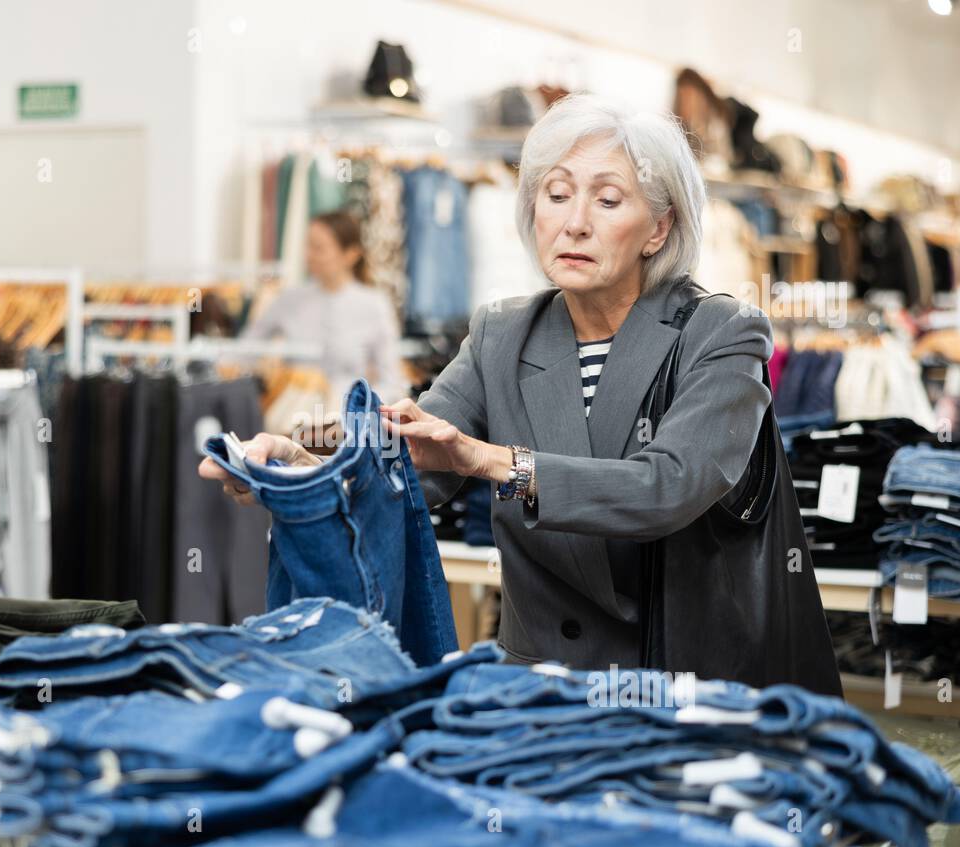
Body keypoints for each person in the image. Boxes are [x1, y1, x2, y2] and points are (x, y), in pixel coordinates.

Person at [200, 93, 776, 671]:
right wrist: (295, 472)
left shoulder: (721, 333)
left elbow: (666, 488)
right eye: (555, 195)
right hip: (538, 690)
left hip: (680, 685)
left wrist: (491, 461)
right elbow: (410, 467)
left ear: (658, 227)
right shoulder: (503, 335)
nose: (574, 223)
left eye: (607, 199)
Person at [244, 209, 408, 404]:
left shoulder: (374, 305)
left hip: (346, 423)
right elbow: (246, 349)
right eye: (308, 246)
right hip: (292, 420)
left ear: (351, 255)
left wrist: (359, 405)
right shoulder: (289, 299)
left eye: (318, 248)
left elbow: (391, 381)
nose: (309, 255)